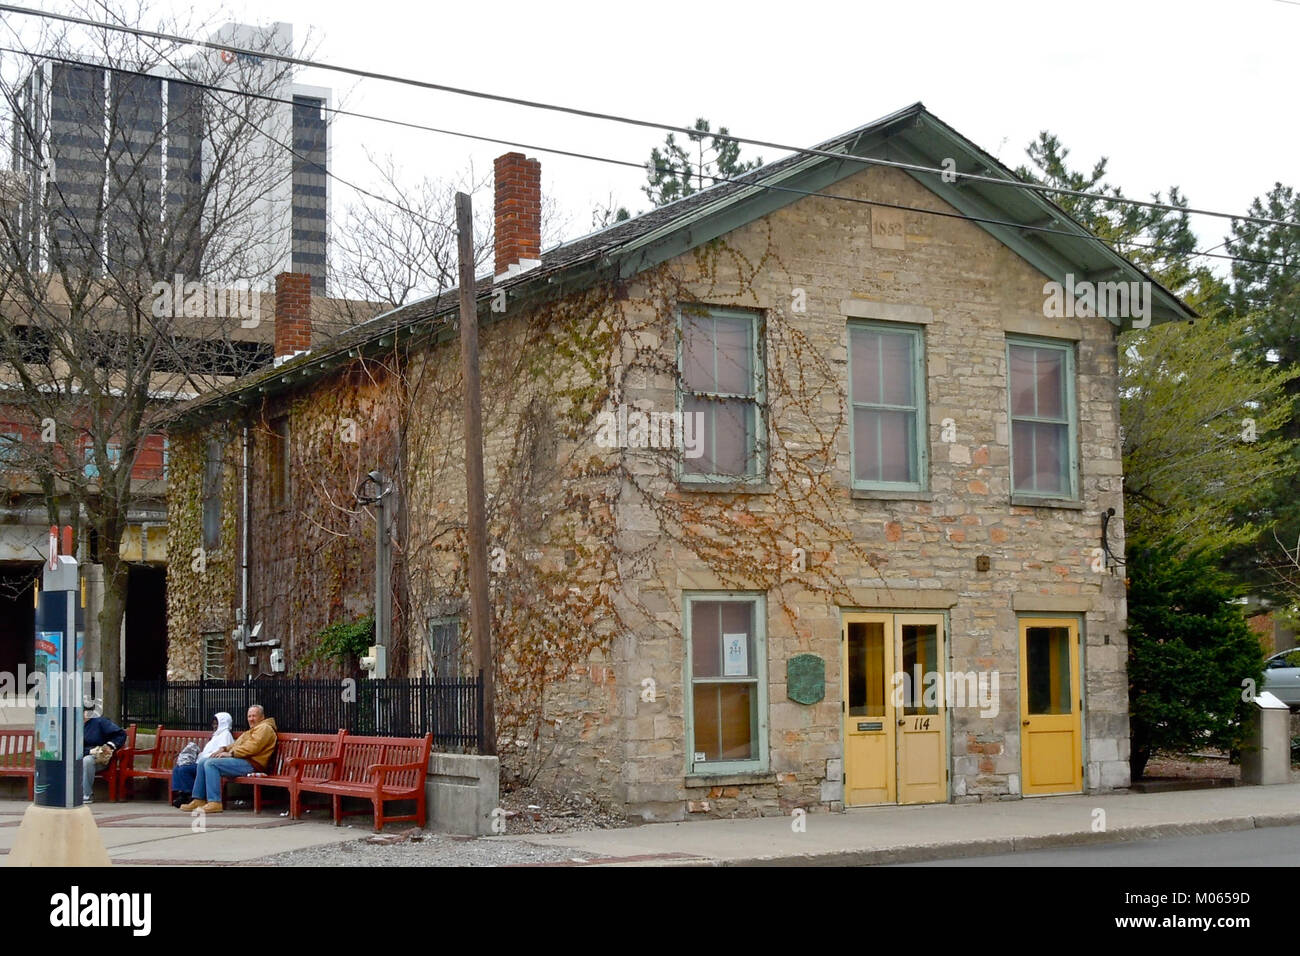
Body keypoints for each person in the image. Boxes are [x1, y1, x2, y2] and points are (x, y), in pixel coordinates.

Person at [180, 705, 277, 813]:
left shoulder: (264, 728)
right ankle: (199, 799)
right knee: (203, 761)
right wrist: (223, 749)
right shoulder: (255, 729)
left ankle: (215, 802)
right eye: (249, 716)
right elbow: (237, 744)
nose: (251, 719)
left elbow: (252, 748)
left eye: (254, 716)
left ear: (262, 717)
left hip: (253, 764)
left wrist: (231, 753)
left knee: (211, 764)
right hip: (244, 761)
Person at [170, 712, 234, 808]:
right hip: (202, 762)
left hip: (209, 764)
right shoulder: (216, 735)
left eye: (217, 724)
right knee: (177, 768)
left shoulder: (225, 735)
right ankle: (182, 794)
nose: (214, 726)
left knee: (184, 770)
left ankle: (192, 794)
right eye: (213, 724)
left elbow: (222, 750)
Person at [82, 704, 127, 805]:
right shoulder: (72, 725)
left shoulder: (100, 722)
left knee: (87, 761)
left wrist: (110, 746)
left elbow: (120, 735)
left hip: (98, 759)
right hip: (79, 757)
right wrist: (89, 751)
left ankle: (86, 795)